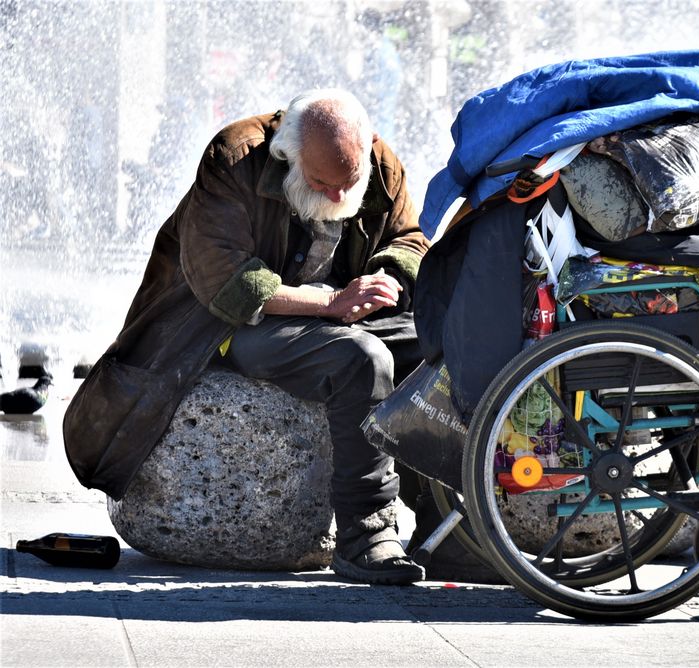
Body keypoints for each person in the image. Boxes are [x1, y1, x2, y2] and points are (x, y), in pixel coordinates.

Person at [63, 89, 430, 585]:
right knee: (362, 361)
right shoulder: (235, 158)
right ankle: (366, 535)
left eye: (349, 184)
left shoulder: (380, 163)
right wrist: (330, 302)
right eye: (322, 184)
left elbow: (408, 238)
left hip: (335, 313)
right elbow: (226, 283)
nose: (340, 198)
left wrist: (384, 278)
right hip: (230, 324)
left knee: (436, 347)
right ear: (289, 156)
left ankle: (447, 530)